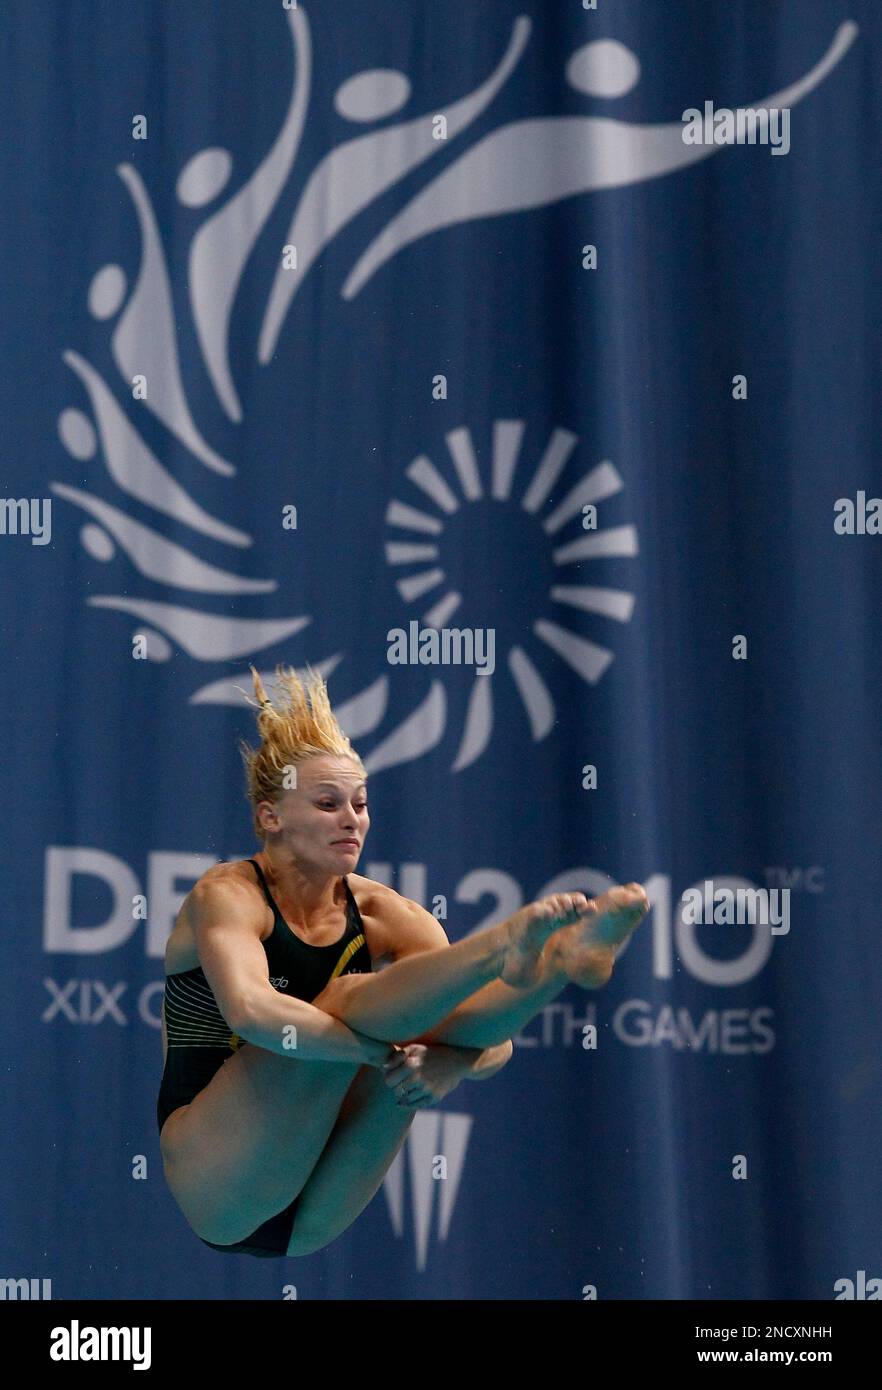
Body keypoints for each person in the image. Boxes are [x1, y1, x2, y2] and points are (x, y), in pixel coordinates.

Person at [157, 663, 649, 1258]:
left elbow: (494, 1046)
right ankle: (501, 946)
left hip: (310, 1220)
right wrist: (375, 1050)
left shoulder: (388, 914)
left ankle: (560, 963)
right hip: (215, 1180)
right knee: (349, 1003)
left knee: (421, 1032)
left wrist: (450, 1064)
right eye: (327, 803)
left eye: (360, 804)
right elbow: (252, 1011)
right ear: (270, 817)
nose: (351, 820)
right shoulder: (228, 895)